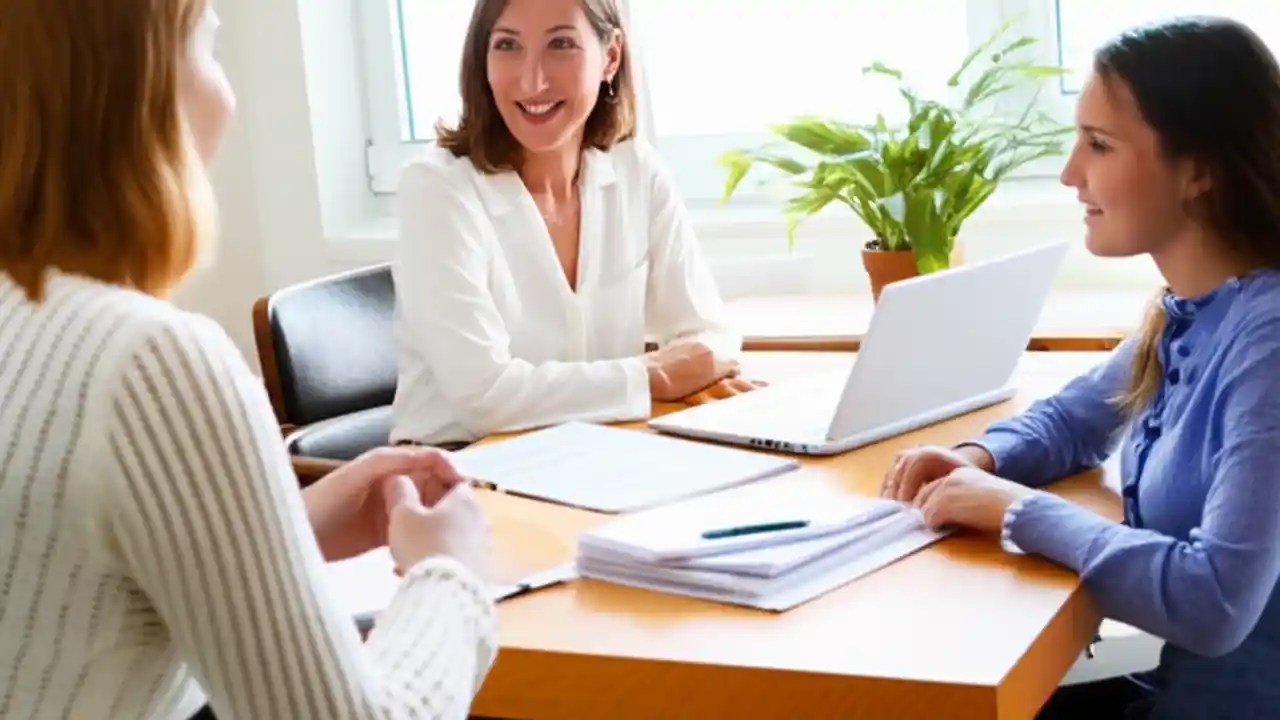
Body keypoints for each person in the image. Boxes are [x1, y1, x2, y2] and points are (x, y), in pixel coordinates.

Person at [0, 1, 496, 718]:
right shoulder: (149, 363)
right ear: (138, 88)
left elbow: (65, 582)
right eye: (209, 45)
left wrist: (284, 523)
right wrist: (451, 574)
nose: (227, 95)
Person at [881, 16, 1280, 720]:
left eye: (1098, 145)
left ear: (1199, 171)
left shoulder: (1268, 342)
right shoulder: (1189, 309)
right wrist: (975, 457)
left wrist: (1017, 512)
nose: (1070, 173)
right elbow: (1075, 419)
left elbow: (1215, 603)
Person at [391, 0, 758, 447]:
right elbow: (485, 396)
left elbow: (710, 333)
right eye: (507, 45)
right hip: (455, 474)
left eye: (561, 44)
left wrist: (692, 369)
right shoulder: (437, 189)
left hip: (595, 452)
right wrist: (657, 376)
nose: (533, 80)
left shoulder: (636, 170)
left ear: (610, 57)